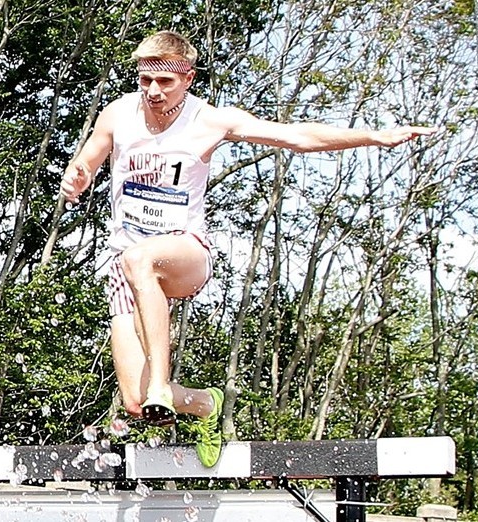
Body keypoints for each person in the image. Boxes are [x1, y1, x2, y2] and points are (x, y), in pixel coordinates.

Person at [59, 30, 438, 468]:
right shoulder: (118, 115)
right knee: (134, 402)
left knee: (140, 258)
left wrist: (373, 137)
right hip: (127, 266)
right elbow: (86, 160)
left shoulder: (209, 121)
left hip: (185, 253)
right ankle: (203, 406)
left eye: (165, 83)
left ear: (188, 79)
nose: (153, 93)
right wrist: (78, 175)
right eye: (145, 81)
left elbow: (296, 137)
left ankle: (163, 383)